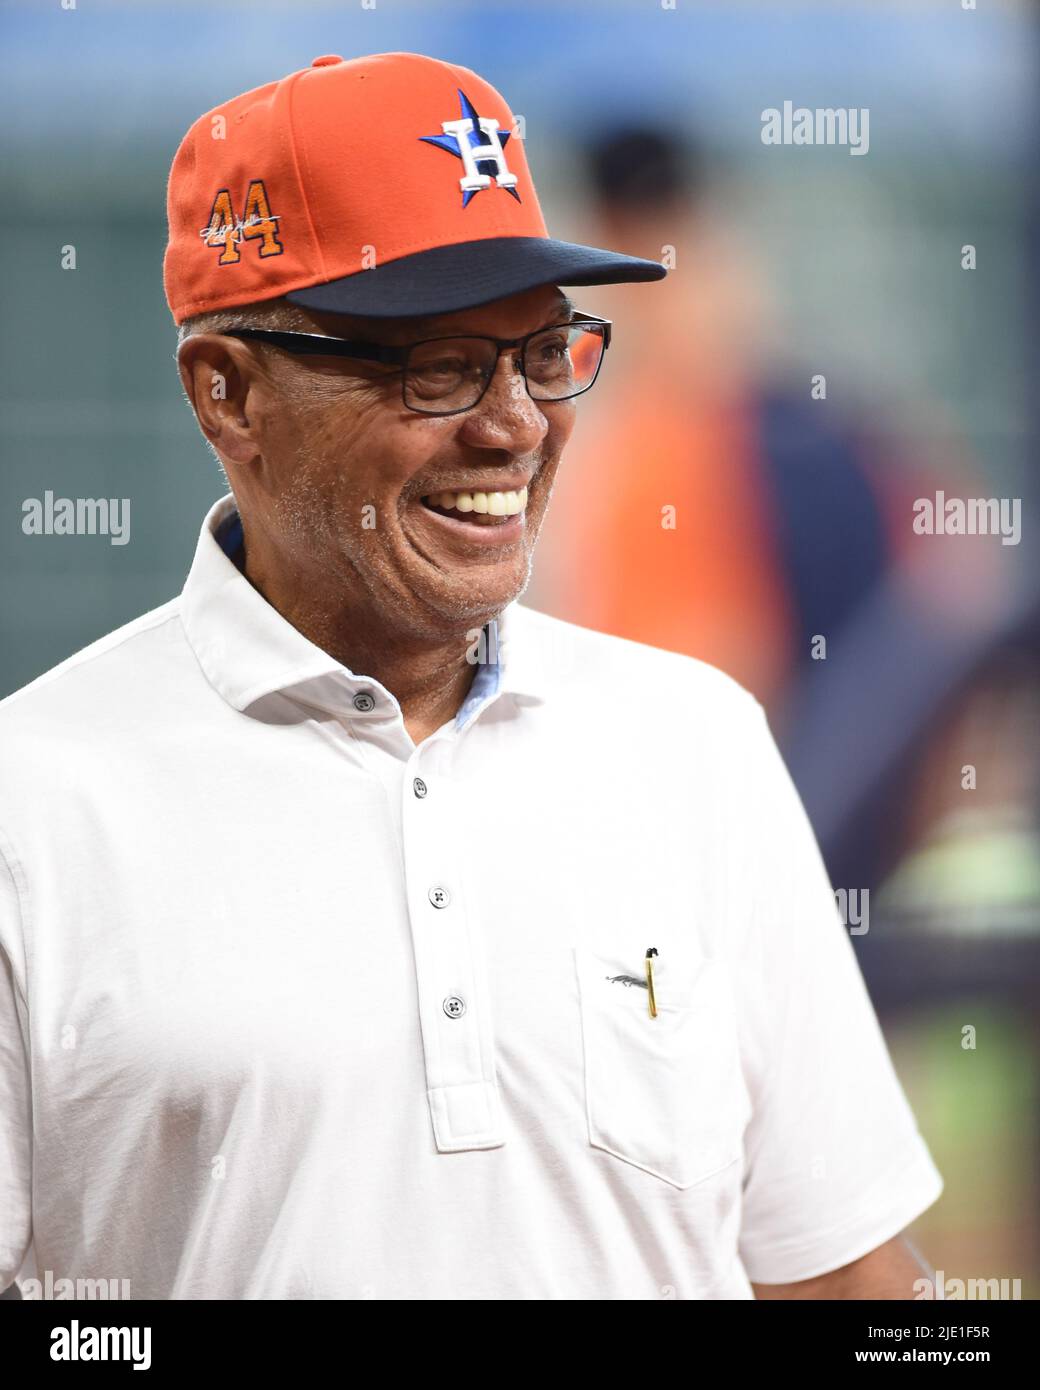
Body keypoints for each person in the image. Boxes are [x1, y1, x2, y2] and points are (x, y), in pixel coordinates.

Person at [0, 51, 942, 1301]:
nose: (512, 423)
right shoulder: (36, 799)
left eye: (543, 353)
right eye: (433, 365)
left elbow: (841, 1277)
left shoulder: (696, 741)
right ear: (227, 393)